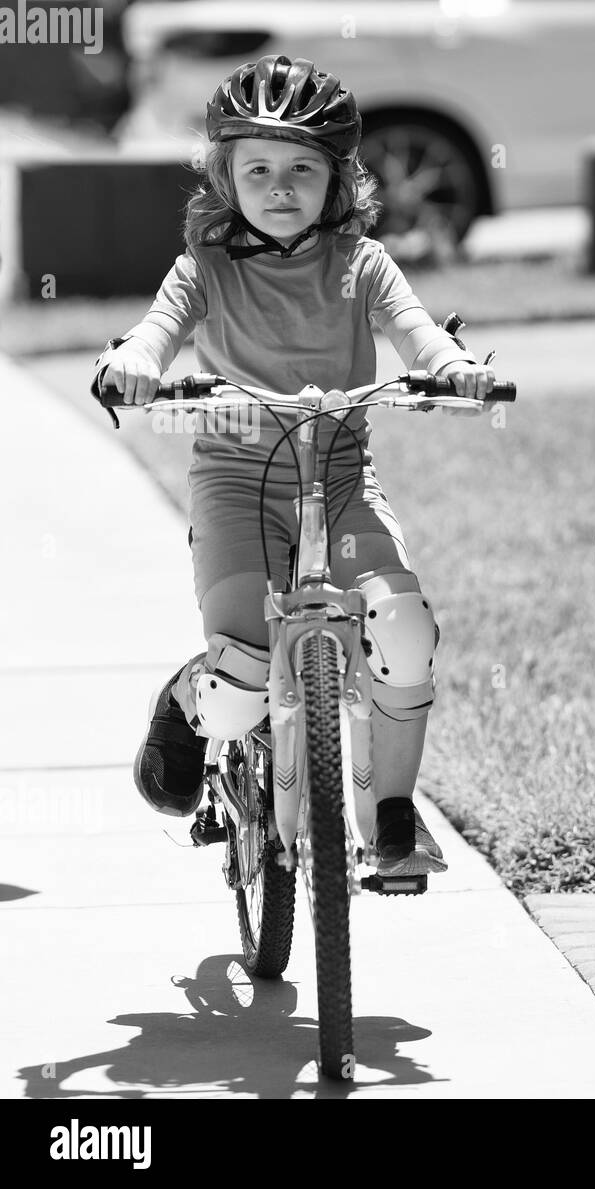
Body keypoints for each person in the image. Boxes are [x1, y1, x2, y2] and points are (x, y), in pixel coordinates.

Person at [92, 54, 494, 876]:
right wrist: (135, 359)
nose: (282, 187)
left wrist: (452, 365)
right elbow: (157, 330)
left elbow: (416, 329)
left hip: (341, 480)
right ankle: (189, 695)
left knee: (405, 630)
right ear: (224, 175)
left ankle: (391, 820)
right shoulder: (205, 266)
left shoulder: (362, 263)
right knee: (239, 688)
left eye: (304, 169)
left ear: (338, 180)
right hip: (237, 483)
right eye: (259, 168)